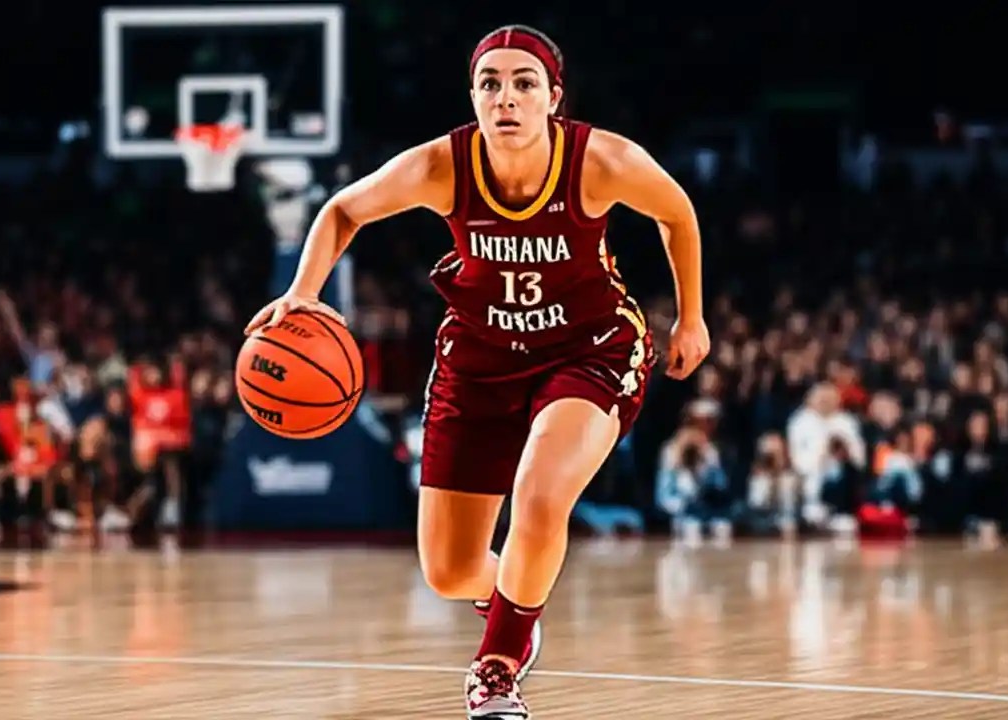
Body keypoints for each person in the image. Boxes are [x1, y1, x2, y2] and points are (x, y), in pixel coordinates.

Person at [246, 24, 709, 719]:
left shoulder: (599, 161)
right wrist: (303, 292)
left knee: (540, 495)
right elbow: (343, 210)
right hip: (479, 358)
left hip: (589, 350)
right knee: (448, 570)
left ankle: (497, 668)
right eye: (490, 84)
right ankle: (515, 603)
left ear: (553, 98)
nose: (506, 98)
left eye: (524, 83)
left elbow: (676, 213)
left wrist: (692, 316)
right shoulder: (443, 165)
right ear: (473, 97)